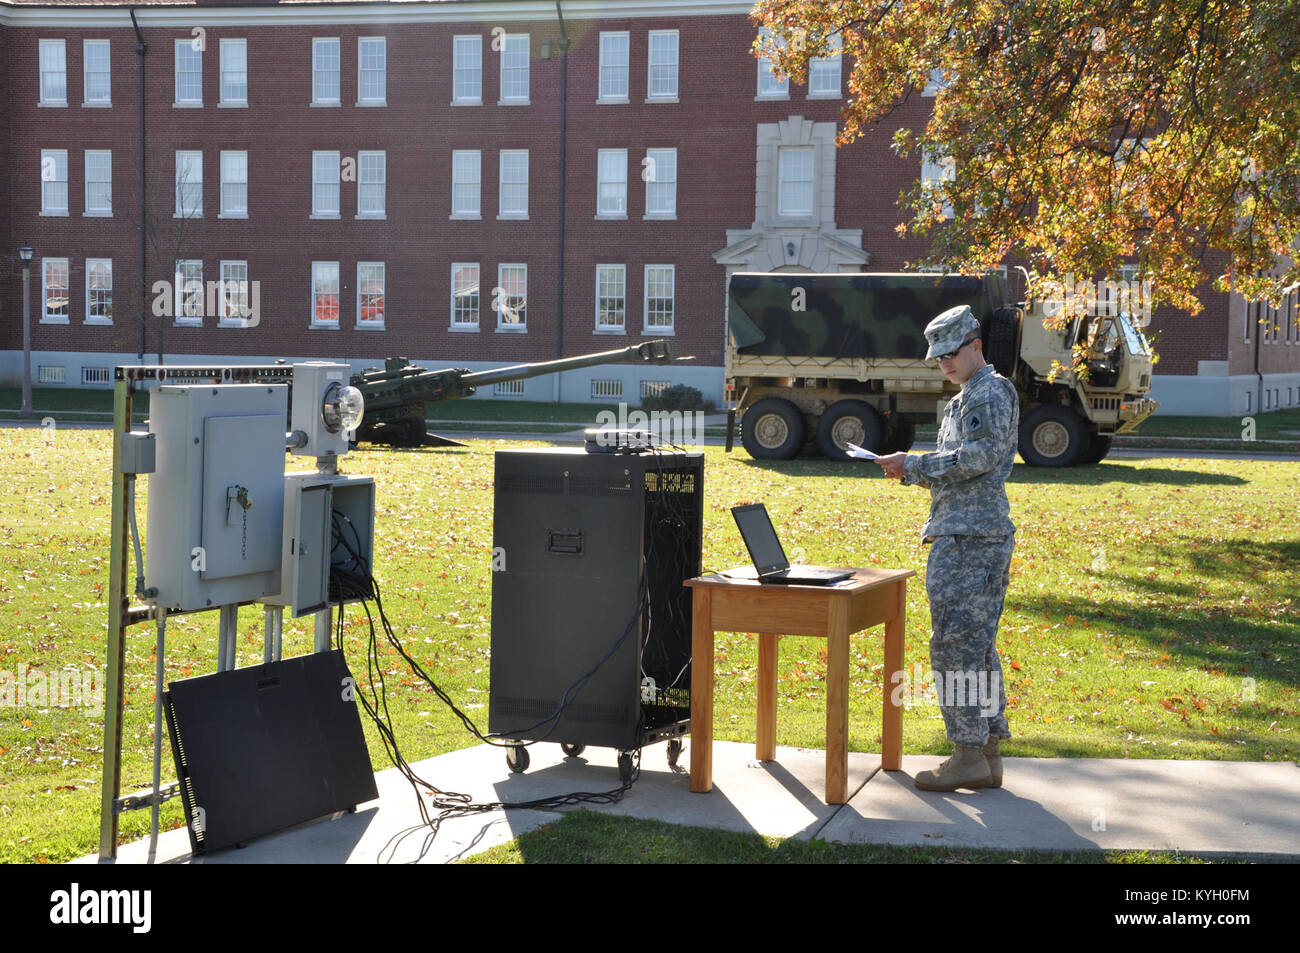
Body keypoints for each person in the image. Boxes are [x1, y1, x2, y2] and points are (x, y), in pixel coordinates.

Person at [875, 304, 1019, 791]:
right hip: (966, 533)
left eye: (952, 354)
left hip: (970, 542)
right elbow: (960, 471)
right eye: (937, 358)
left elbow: (979, 458)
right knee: (976, 650)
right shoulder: (967, 397)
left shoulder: (986, 392)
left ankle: (967, 754)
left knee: (955, 649)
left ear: (976, 345)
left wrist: (914, 464)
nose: (944, 363)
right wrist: (909, 470)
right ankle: (986, 754)